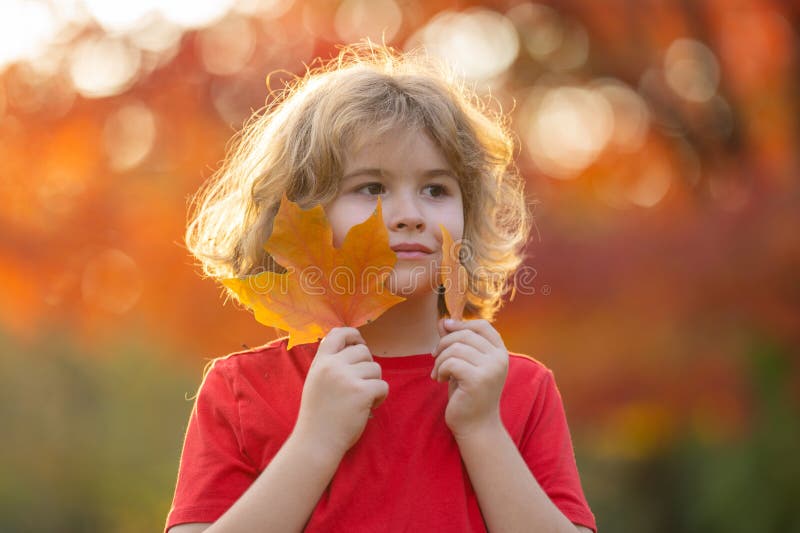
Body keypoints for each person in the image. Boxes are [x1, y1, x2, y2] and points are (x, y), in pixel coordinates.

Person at [166, 43, 596, 533]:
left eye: (436, 189)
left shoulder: (517, 390)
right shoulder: (241, 390)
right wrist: (316, 440)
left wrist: (482, 429)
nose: (410, 215)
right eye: (371, 187)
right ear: (301, 214)